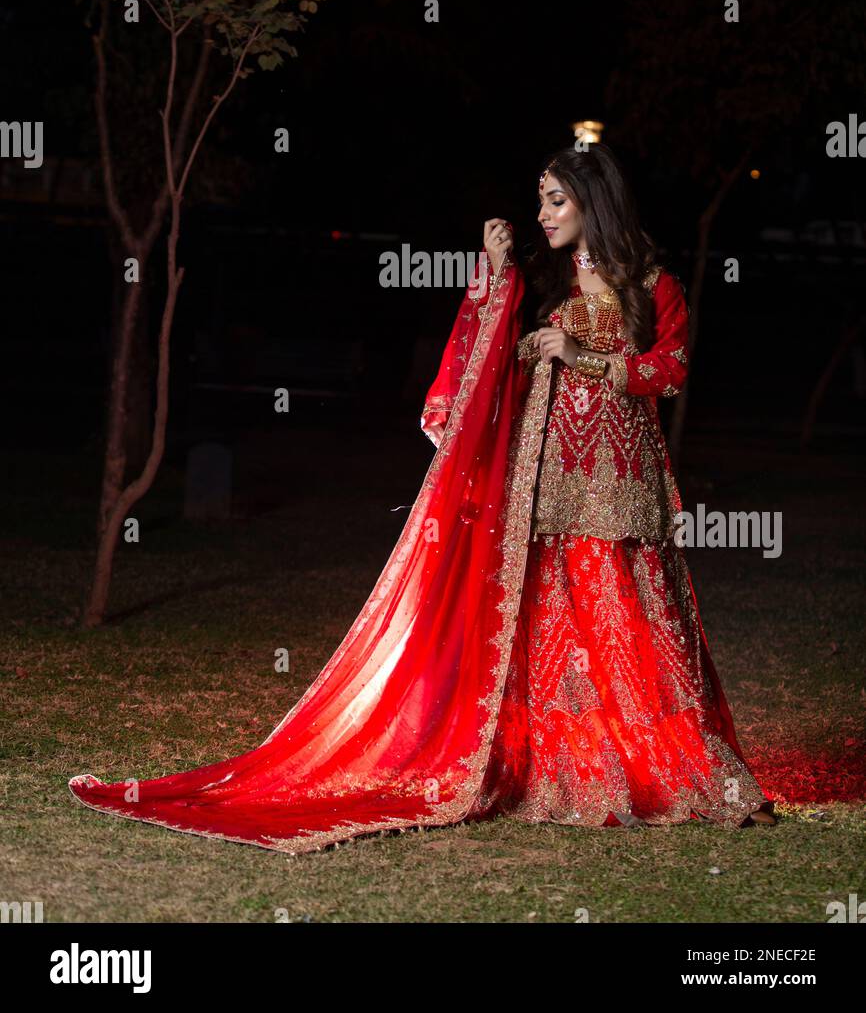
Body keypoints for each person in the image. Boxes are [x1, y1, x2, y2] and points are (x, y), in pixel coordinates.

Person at [69, 144, 774, 854]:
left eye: (555, 199)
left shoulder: (652, 283)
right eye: (540, 199)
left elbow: (671, 371)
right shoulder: (538, 280)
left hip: (621, 488)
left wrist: (579, 354)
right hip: (543, 481)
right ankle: (563, 772)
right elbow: (484, 353)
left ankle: (652, 766)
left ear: (596, 202)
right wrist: (494, 276)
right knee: (550, 624)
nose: (542, 214)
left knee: (630, 624)